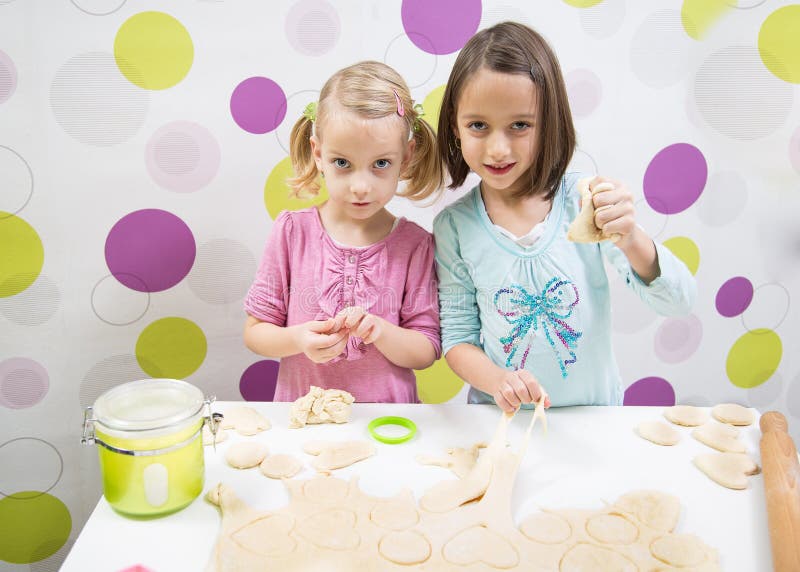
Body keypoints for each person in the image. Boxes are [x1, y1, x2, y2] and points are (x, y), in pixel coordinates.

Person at [433, 22, 697, 412]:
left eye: (520, 125)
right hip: (500, 423)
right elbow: (457, 339)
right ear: (455, 126)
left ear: (549, 123)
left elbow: (679, 303)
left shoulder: (584, 201)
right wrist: (499, 381)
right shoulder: (454, 227)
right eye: (478, 126)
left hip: (593, 422)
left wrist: (631, 238)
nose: (498, 148)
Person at [244, 61, 443, 403]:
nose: (361, 187)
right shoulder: (293, 232)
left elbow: (426, 350)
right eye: (343, 163)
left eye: (381, 164)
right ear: (318, 153)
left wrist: (381, 331)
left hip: (388, 425)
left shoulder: (415, 245)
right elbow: (256, 332)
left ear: (405, 158)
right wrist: (299, 340)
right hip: (304, 421)